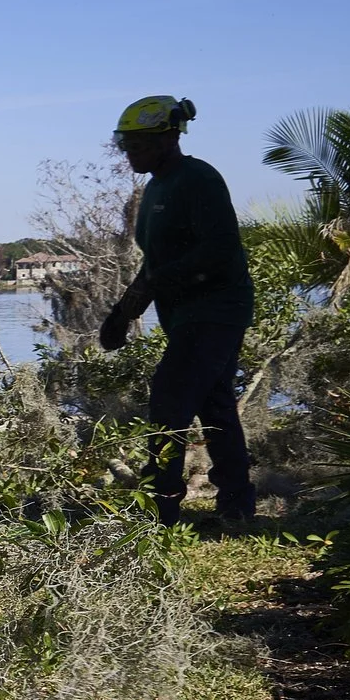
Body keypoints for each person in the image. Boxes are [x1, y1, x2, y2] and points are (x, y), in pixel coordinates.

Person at [98, 96, 257, 526]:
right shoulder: (155, 188)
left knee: (169, 398)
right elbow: (154, 264)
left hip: (216, 311)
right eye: (125, 144)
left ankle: (161, 508)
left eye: (139, 143)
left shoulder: (198, 179)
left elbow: (219, 250)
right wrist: (122, 313)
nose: (130, 152)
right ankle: (237, 507)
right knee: (217, 405)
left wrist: (153, 286)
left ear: (170, 137)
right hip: (185, 316)